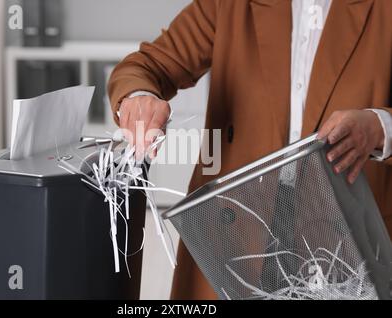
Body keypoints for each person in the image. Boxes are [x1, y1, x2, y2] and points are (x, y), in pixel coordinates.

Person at [108, 0, 392, 299]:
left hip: (346, 235)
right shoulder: (227, 5)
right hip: (235, 230)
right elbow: (147, 66)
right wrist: (139, 97)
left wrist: (380, 127)